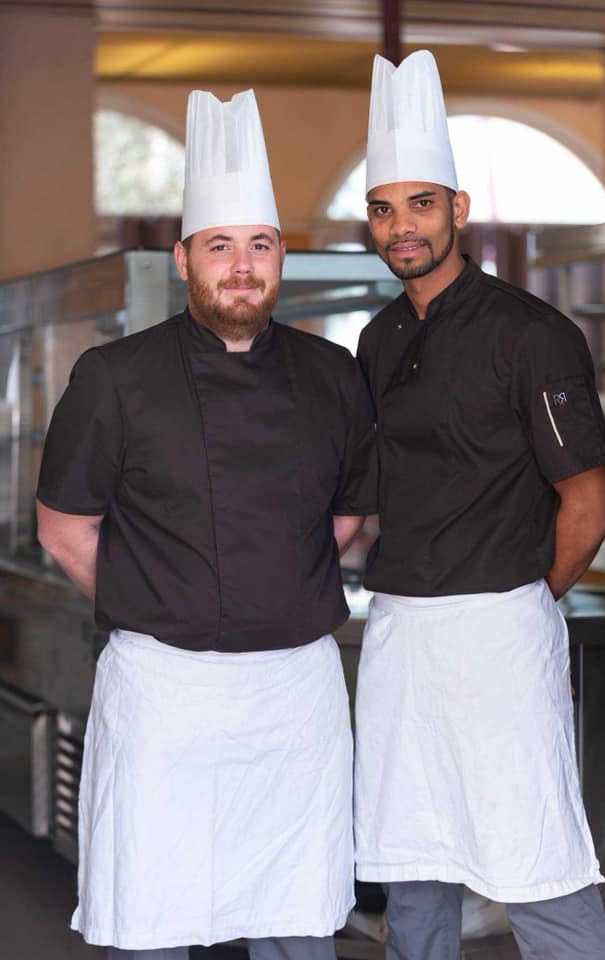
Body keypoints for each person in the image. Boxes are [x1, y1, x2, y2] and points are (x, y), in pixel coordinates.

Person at [36, 88, 377, 960]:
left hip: (294, 696)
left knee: (297, 923)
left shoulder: (333, 373)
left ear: (281, 258)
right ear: (184, 256)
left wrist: (266, 591)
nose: (241, 265)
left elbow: (344, 517)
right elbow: (64, 529)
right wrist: (166, 598)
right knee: (155, 915)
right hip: (164, 696)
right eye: (220, 246)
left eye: (259, 246)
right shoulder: (113, 377)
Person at [354, 51, 605, 960]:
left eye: (420, 204)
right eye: (383, 209)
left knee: (534, 853)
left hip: (497, 629)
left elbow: (588, 500)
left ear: (458, 211)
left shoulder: (531, 333)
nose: (402, 226)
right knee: (410, 859)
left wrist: (521, 593)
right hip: (399, 630)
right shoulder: (379, 338)